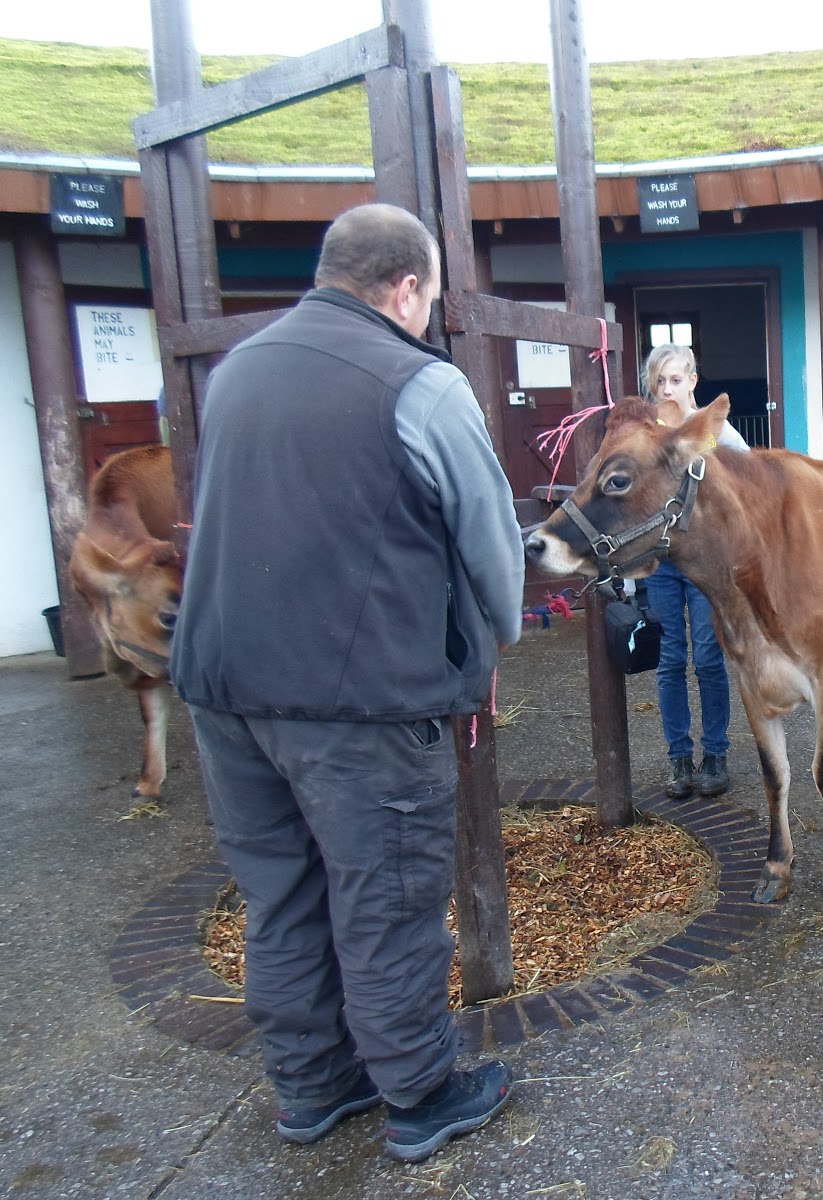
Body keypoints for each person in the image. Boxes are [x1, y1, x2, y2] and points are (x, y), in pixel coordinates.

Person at [170, 203, 525, 1164]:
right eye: (431, 300)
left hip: (223, 689)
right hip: (360, 700)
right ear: (407, 288)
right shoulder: (423, 384)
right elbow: (490, 539)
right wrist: (490, 647)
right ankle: (419, 1093)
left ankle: (313, 1087)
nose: (429, 318)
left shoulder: (236, 370)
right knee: (386, 897)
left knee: (281, 895)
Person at [640, 342, 747, 799]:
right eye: (660, 381)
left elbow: (749, 468)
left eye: (676, 379)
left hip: (703, 564)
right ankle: (678, 758)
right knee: (669, 661)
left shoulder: (711, 429)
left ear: (693, 382)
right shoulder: (647, 432)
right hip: (662, 563)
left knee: (707, 657)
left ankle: (715, 756)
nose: (668, 388)